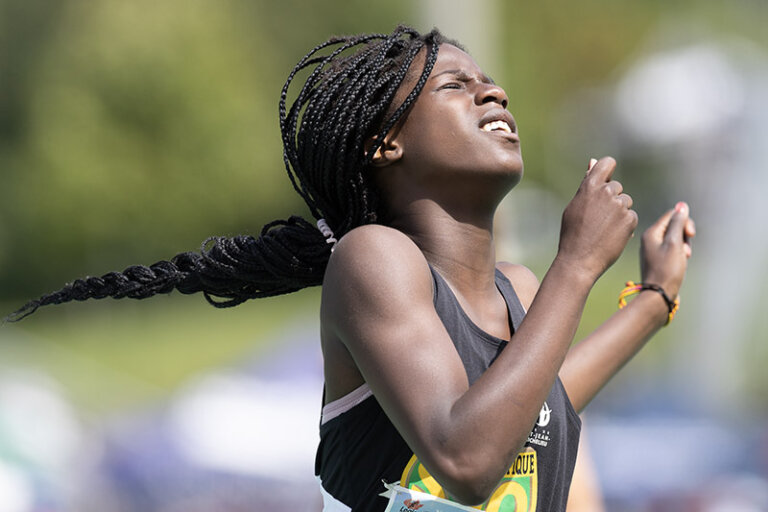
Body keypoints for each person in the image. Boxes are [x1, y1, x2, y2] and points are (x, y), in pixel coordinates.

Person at [8, 26, 694, 511]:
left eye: (491, 84)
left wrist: (653, 299)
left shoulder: (519, 290)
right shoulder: (374, 260)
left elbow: (540, 400)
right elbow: (465, 460)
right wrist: (575, 265)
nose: (496, 95)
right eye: (459, 85)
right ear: (384, 142)